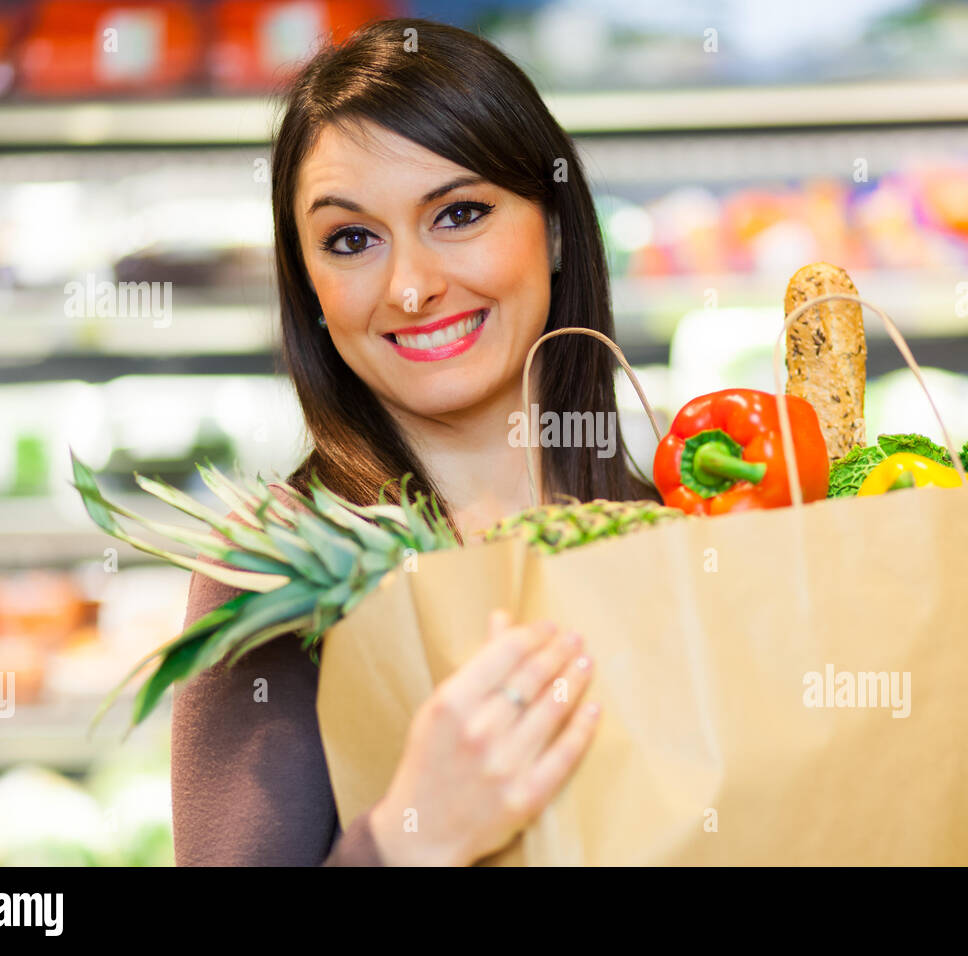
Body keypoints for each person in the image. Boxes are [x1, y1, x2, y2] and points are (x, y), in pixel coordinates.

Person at [171, 16, 658, 866]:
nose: (410, 287)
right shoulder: (279, 574)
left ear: (552, 228)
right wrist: (414, 833)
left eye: (459, 213)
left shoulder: (674, 527)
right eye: (351, 239)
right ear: (311, 288)